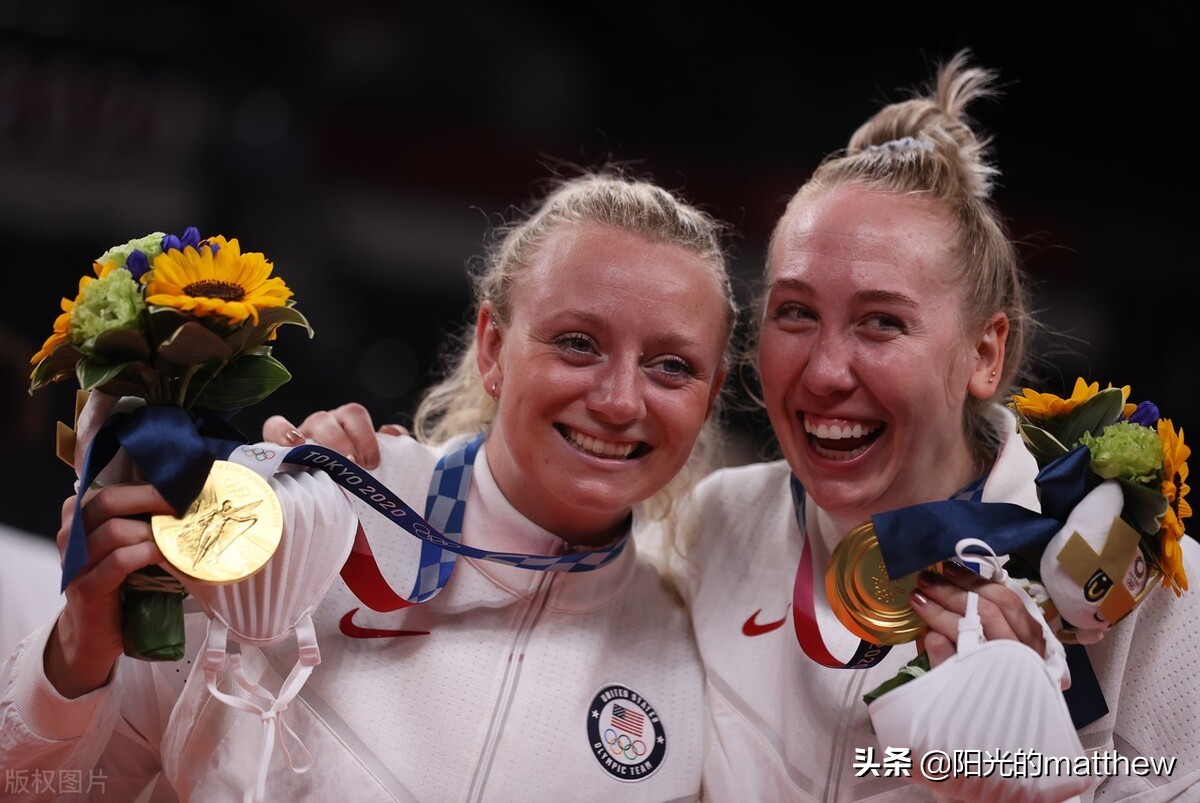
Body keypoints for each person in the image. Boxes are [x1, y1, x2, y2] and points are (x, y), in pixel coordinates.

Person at [0, 171, 738, 802]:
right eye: (578, 342)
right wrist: (76, 650)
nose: (619, 399)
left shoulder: (693, 667)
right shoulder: (300, 515)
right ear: (491, 348)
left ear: (711, 396)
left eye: (672, 365)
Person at [668, 51, 1200, 801]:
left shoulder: (1158, 597)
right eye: (794, 312)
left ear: (985, 353)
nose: (823, 371)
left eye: (881, 322)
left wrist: (1056, 784)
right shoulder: (715, 524)